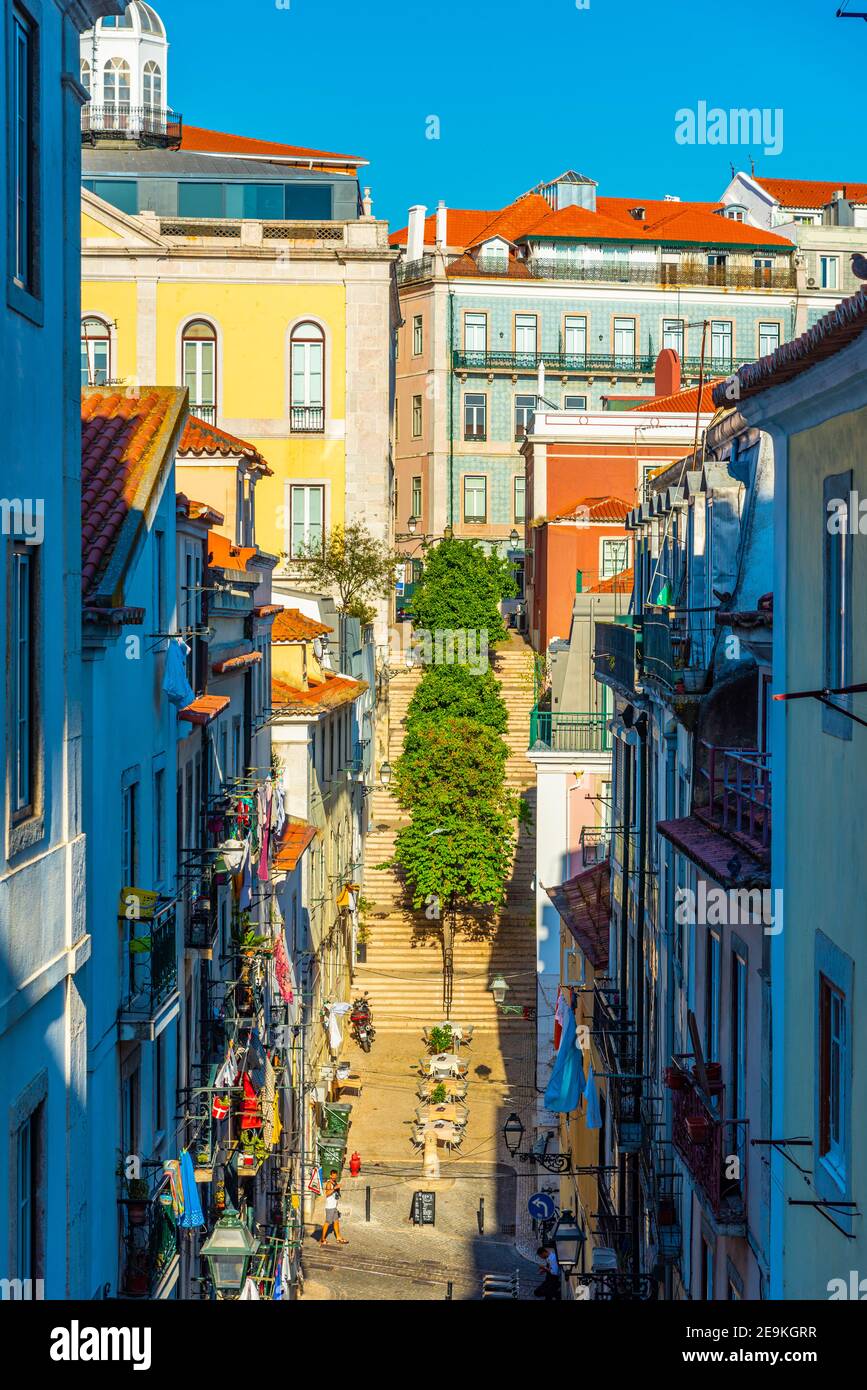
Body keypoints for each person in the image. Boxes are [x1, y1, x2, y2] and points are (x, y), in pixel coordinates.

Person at [320, 1170, 349, 1246]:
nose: (335, 1177)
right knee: (327, 1222)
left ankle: (338, 1238)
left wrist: (337, 1187)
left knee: (336, 1221)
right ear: (330, 1175)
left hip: (334, 1206)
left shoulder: (334, 1183)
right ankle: (322, 1239)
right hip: (330, 1207)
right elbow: (327, 1194)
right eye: (333, 1175)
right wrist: (335, 1188)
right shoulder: (329, 1183)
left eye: (336, 1176)